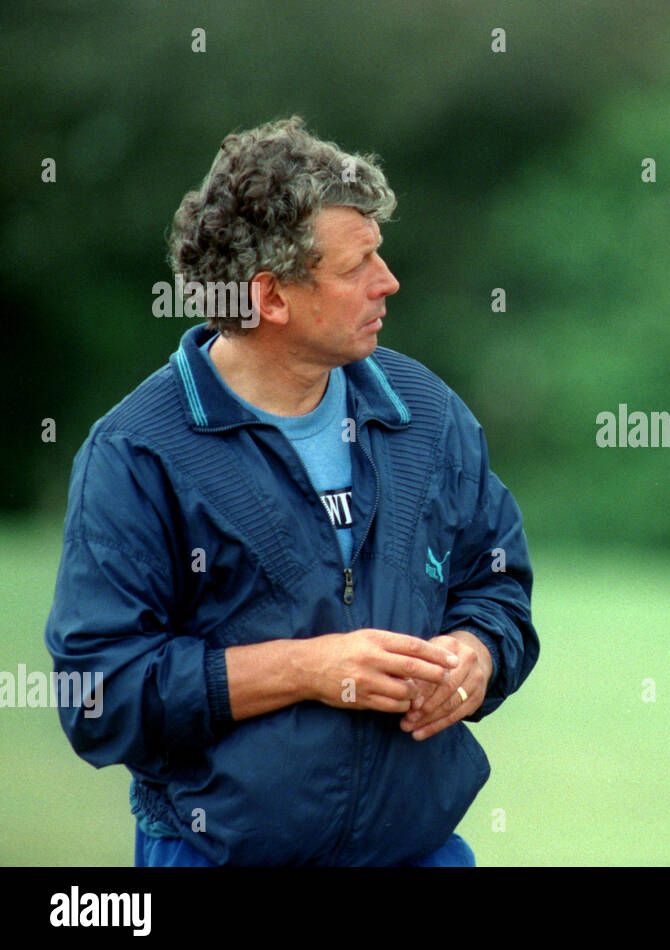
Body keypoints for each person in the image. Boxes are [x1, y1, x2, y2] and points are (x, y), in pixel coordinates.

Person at [45, 117, 539, 866]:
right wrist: (308, 669)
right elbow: (101, 697)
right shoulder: (137, 453)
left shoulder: (427, 413)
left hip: (421, 852)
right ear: (270, 297)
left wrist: (477, 653)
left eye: (382, 254)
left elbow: (496, 587)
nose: (388, 282)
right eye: (358, 266)